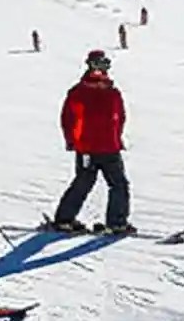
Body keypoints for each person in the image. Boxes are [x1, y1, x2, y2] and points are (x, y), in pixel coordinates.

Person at [50, 50, 134, 234]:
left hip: (97, 147)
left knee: (90, 182)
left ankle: (66, 219)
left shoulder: (100, 92)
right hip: (97, 147)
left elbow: (119, 118)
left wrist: (72, 140)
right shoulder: (93, 92)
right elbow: (69, 118)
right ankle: (116, 223)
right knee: (112, 183)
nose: (99, 69)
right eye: (97, 65)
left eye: (102, 65)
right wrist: (72, 139)